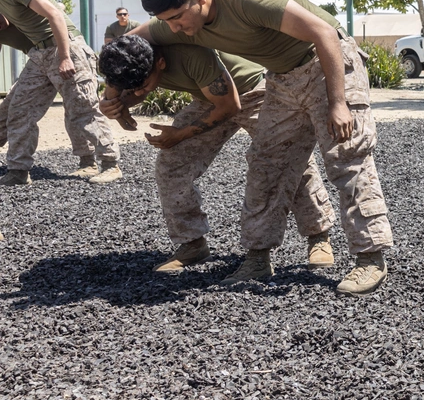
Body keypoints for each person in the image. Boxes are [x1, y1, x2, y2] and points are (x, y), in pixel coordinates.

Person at [128, 0, 392, 294]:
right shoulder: (182, 15)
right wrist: (116, 93)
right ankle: (258, 256)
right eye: (167, 21)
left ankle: (370, 258)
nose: (174, 29)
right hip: (282, 80)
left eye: (177, 18)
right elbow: (132, 41)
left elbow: (323, 32)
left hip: (327, 63)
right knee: (267, 163)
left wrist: (338, 102)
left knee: (346, 156)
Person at [98, 35, 339, 273]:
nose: (138, 93)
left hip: (254, 92)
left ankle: (318, 236)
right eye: (133, 88)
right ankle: (192, 243)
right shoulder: (130, 54)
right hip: (209, 98)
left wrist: (180, 133)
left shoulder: (190, 55)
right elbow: (115, 83)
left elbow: (229, 105)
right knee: (172, 163)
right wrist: (112, 104)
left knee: (288, 158)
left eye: (143, 86)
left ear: (159, 62)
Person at [0, 0, 120, 186]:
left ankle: (109, 163)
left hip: (66, 48)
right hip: (39, 55)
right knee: (19, 109)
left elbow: (55, 12)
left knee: (82, 109)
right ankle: (18, 170)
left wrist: (65, 57)